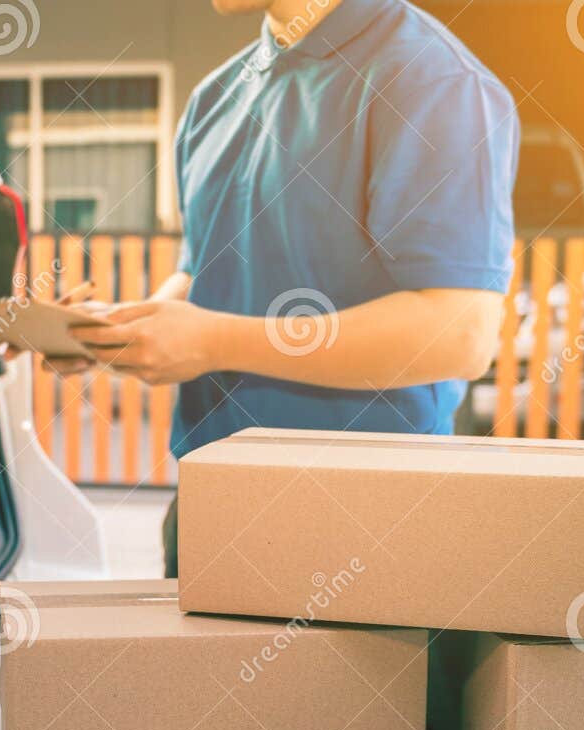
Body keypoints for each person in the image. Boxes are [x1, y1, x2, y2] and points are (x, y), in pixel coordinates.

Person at [57, 0, 519, 577]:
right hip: (210, 492)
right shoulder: (214, 97)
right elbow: (205, 276)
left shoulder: (434, 80)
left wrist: (214, 342)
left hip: (365, 512)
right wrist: (115, 330)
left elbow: (460, 335)